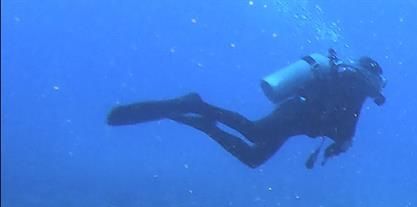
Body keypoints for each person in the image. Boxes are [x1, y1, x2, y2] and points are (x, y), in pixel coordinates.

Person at [107, 50, 386, 169]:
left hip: (296, 118)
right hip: (296, 115)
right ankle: (196, 105)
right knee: (253, 132)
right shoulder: (357, 89)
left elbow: (342, 129)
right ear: (372, 77)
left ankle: (205, 123)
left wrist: (336, 145)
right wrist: (338, 147)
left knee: (253, 158)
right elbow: (347, 131)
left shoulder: (347, 82)